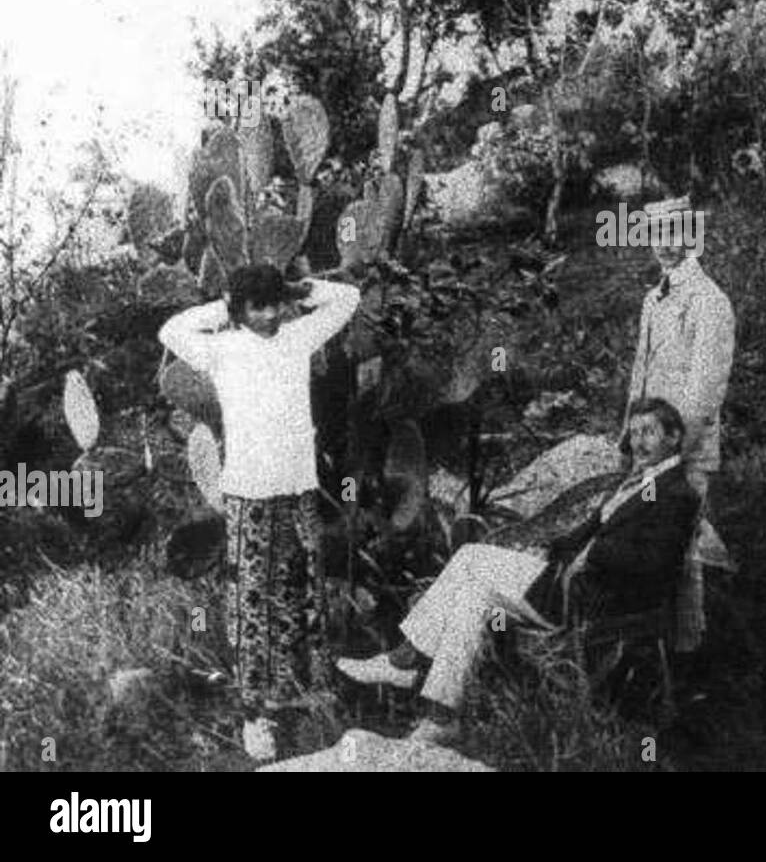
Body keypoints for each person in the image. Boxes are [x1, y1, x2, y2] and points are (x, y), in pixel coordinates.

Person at [336, 397, 699, 745]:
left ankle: (405, 663)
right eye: (634, 432)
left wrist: (595, 552)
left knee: (472, 563)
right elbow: (590, 531)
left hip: (595, 597)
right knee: (472, 586)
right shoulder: (638, 481)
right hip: (568, 579)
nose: (638, 442)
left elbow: (656, 563)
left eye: (649, 432)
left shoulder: (676, 493)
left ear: (674, 437)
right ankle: (440, 717)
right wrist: (555, 544)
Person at [158, 265, 360, 762]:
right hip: (250, 492)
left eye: (274, 304)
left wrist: (300, 291)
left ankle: (307, 693)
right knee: (254, 602)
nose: (269, 315)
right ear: (240, 309)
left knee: (303, 589)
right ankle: (255, 713)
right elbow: (171, 330)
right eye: (257, 306)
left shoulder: (298, 337)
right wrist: (223, 305)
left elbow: (348, 299)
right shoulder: (221, 349)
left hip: (299, 488)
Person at [622, 195, 735, 651]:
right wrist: (631, 442)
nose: (665, 245)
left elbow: (705, 390)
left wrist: (670, 452)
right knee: (643, 547)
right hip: (647, 451)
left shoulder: (709, 301)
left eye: (674, 235)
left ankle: (688, 649)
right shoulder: (653, 299)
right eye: (656, 236)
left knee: (682, 551)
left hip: (685, 454)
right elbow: (640, 376)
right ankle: (647, 647)